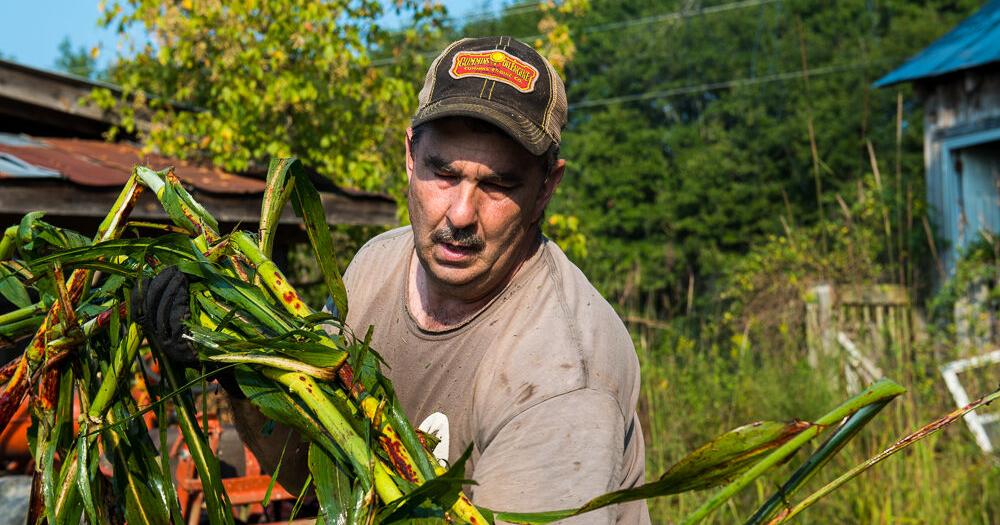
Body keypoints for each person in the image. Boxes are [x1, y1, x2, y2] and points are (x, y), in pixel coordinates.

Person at [138, 36, 649, 524]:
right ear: (409, 156)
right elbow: (314, 476)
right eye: (444, 174)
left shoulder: (561, 375)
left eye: (499, 184)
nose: (462, 213)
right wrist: (237, 365)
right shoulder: (375, 267)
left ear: (546, 188)